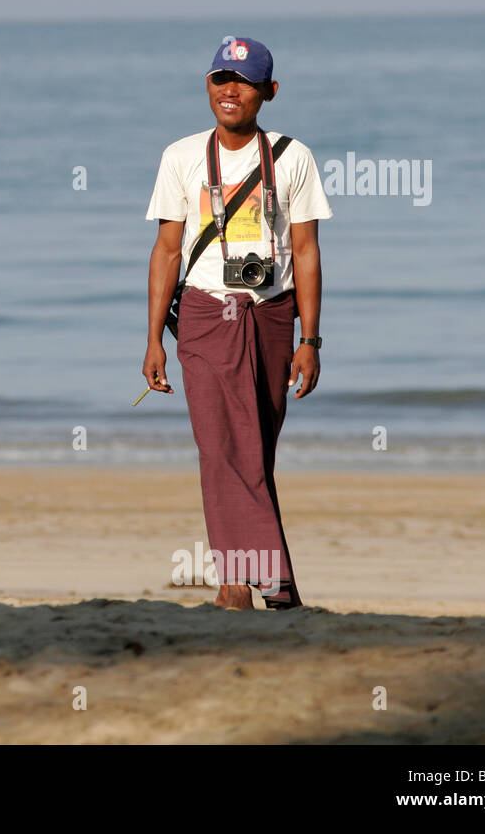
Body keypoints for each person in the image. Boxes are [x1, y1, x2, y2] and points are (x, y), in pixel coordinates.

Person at [142, 36, 331, 610]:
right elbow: (167, 252)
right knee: (220, 448)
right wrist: (152, 337)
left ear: (269, 93)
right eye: (222, 77)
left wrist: (310, 339)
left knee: (254, 454)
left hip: (272, 314)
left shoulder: (292, 157)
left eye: (245, 81)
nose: (231, 90)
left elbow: (307, 252)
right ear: (207, 85)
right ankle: (268, 589)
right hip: (204, 314)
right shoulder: (181, 157)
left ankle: (235, 584)